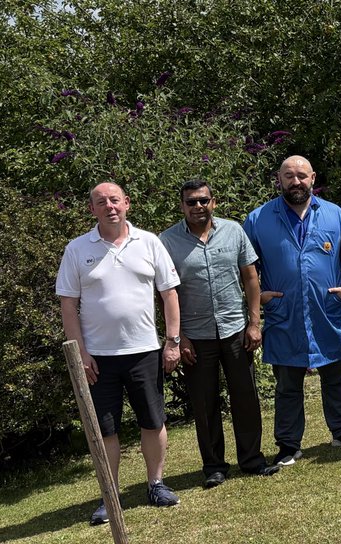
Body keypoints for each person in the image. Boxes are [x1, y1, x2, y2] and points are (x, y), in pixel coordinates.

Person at [57, 182, 183, 525]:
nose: (109, 206)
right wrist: (80, 354)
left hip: (144, 351)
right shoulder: (77, 249)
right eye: (101, 202)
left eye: (115, 200)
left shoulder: (149, 242)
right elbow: (68, 306)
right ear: (91, 209)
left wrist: (172, 341)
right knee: (105, 430)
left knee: (152, 421)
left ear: (127, 203)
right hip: (97, 358)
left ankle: (156, 484)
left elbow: (169, 294)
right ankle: (109, 496)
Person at [243, 155, 341, 466]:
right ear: (279, 179)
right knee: (287, 384)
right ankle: (288, 444)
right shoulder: (259, 219)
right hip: (284, 314)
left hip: (327, 311)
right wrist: (259, 297)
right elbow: (245, 266)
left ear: (313, 178)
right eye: (289, 176)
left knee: (336, 377)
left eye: (301, 175)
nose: (295, 181)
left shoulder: (335, 216)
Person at [160, 180, 281, 489]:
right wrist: (178, 336)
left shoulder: (233, 231)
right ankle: (214, 466)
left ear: (213, 202)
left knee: (246, 397)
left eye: (203, 200)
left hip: (235, 329)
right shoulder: (167, 241)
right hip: (195, 335)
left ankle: (252, 459)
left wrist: (254, 323)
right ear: (182, 206)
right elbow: (164, 293)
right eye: (191, 202)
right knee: (205, 404)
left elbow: (250, 278)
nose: (198, 206)